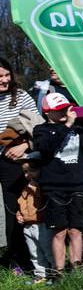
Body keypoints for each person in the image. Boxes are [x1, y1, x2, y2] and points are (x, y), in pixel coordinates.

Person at [29, 93, 83, 277]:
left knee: (76, 229)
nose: (64, 112)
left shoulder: (78, 128)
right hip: (54, 187)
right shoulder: (41, 130)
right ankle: (59, 273)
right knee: (59, 231)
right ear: (47, 113)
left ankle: (77, 270)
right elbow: (45, 148)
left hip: (77, 184)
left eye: (65, 108)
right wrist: (67, 125)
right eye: (58, 110)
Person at [0, 57, 39, 271]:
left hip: (14, 160)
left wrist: (24, 145)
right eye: (0, 77)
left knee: (14, 209)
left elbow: (36, 125)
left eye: (7, 75)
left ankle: (20, 261)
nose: (4, 80)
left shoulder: (21, 96)